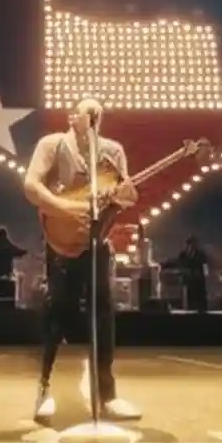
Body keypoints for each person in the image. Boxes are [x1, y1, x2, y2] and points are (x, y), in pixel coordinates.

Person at [23, 98, 141, 422]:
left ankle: (108, 395)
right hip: (62, 243)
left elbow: (124, 196)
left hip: (96, 242)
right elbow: (31, 186)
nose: (92, 117)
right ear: (72, 116)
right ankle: (44, 388)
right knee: (58, 310)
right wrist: (67, 208)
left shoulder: (112, 151)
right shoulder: (52, 145)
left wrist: (124, 195)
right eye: (86, 111)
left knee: (103, 312)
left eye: (97, 112)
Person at [163, 236, 213, 313]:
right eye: (189, 244)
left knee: (200, 305)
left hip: (199, 283)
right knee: (188, 304)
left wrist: (204, 276)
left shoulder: (201, 255)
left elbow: (205, 267)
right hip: (187, 283)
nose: (191, 246)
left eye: (193, 244)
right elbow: (180, 265)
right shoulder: (183, 255)